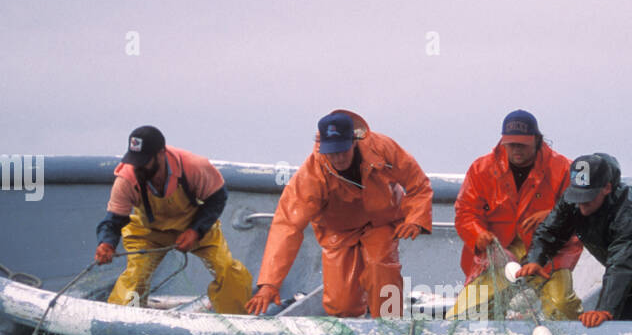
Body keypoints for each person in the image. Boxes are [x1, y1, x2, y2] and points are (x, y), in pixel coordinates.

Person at [245, 110, 432, 318]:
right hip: (338, 232)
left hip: (381, 222)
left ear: (353, 141)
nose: (339, 158)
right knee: (342, 305)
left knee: (382, 271)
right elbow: (287, 225)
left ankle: (392, 331)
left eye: (343, 150)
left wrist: (415, 219)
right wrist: (270, 284)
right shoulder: (310, 175)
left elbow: (418, 183)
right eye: (332, 152)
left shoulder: (383, 148)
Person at [519, 153, 632, 327]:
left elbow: (621, 264)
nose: (581, 207)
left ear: (606, 188)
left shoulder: (629, 215)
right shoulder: (571, 201)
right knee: (623, 317)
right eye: (577, 198)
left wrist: (604, 309)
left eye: (587, 199)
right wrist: (536, 259)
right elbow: (549, 231)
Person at [93, 126, 252, 312]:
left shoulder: (194, 166)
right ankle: (120, 324)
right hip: (148, 233)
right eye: (135, 161)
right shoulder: (126, 178)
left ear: (161, 153)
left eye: (144, 161)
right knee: (135, 278)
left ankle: (236, 320)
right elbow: (113, 220)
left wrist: (196, 230)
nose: (138, 168)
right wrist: (107, 243)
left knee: (227, 270)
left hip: (194, 227)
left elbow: (217, 198)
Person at [449, 110, 582, 319]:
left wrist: (555, 214)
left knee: (561, 305)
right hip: (498, 253)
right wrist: (478, 235)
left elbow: (582, 209)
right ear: (503, 142)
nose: (516, 150)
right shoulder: (480, 169)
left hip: (549, 251)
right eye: (511, 144)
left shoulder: (565, 168)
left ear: (537, 140)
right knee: (466, 314)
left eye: (522, 144)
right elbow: (465, 212)